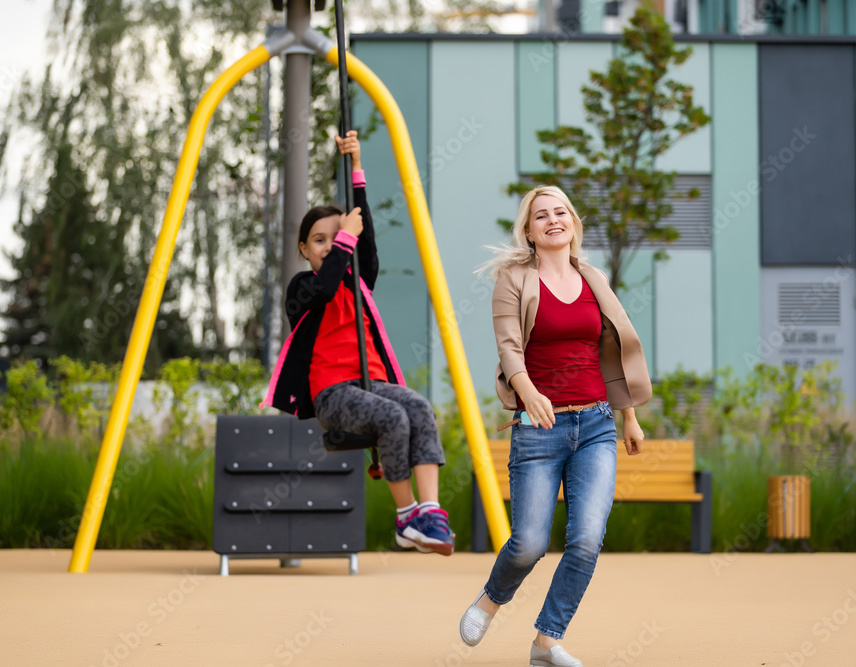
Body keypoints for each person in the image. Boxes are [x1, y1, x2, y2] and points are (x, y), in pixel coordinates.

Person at [459, 185, 651, 666]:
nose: (552, 220)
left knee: (586, 538)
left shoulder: (594, 278)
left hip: (597, 426)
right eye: (541, 215)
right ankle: (490, 600)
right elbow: (508, 347)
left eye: (560, 212)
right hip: (537, 430)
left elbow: (612, 351)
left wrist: (628, 416)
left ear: (573, 223)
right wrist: (529, 392)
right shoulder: (513, 279)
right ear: (529, 230)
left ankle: (547, 641)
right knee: (528, 542)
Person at [264, 130, 455, 556]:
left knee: (419, 407)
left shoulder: (359, 283)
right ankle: (406, 518)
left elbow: (364, 246)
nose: (333, 245)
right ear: (303, 249)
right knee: (392, 417)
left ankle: (430, 512)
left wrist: (356, 169)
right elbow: (326, 285)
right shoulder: (304, 287)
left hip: (370, 385)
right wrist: (344, 238)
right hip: (333, 393)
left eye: (338, 236)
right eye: (320, 240)